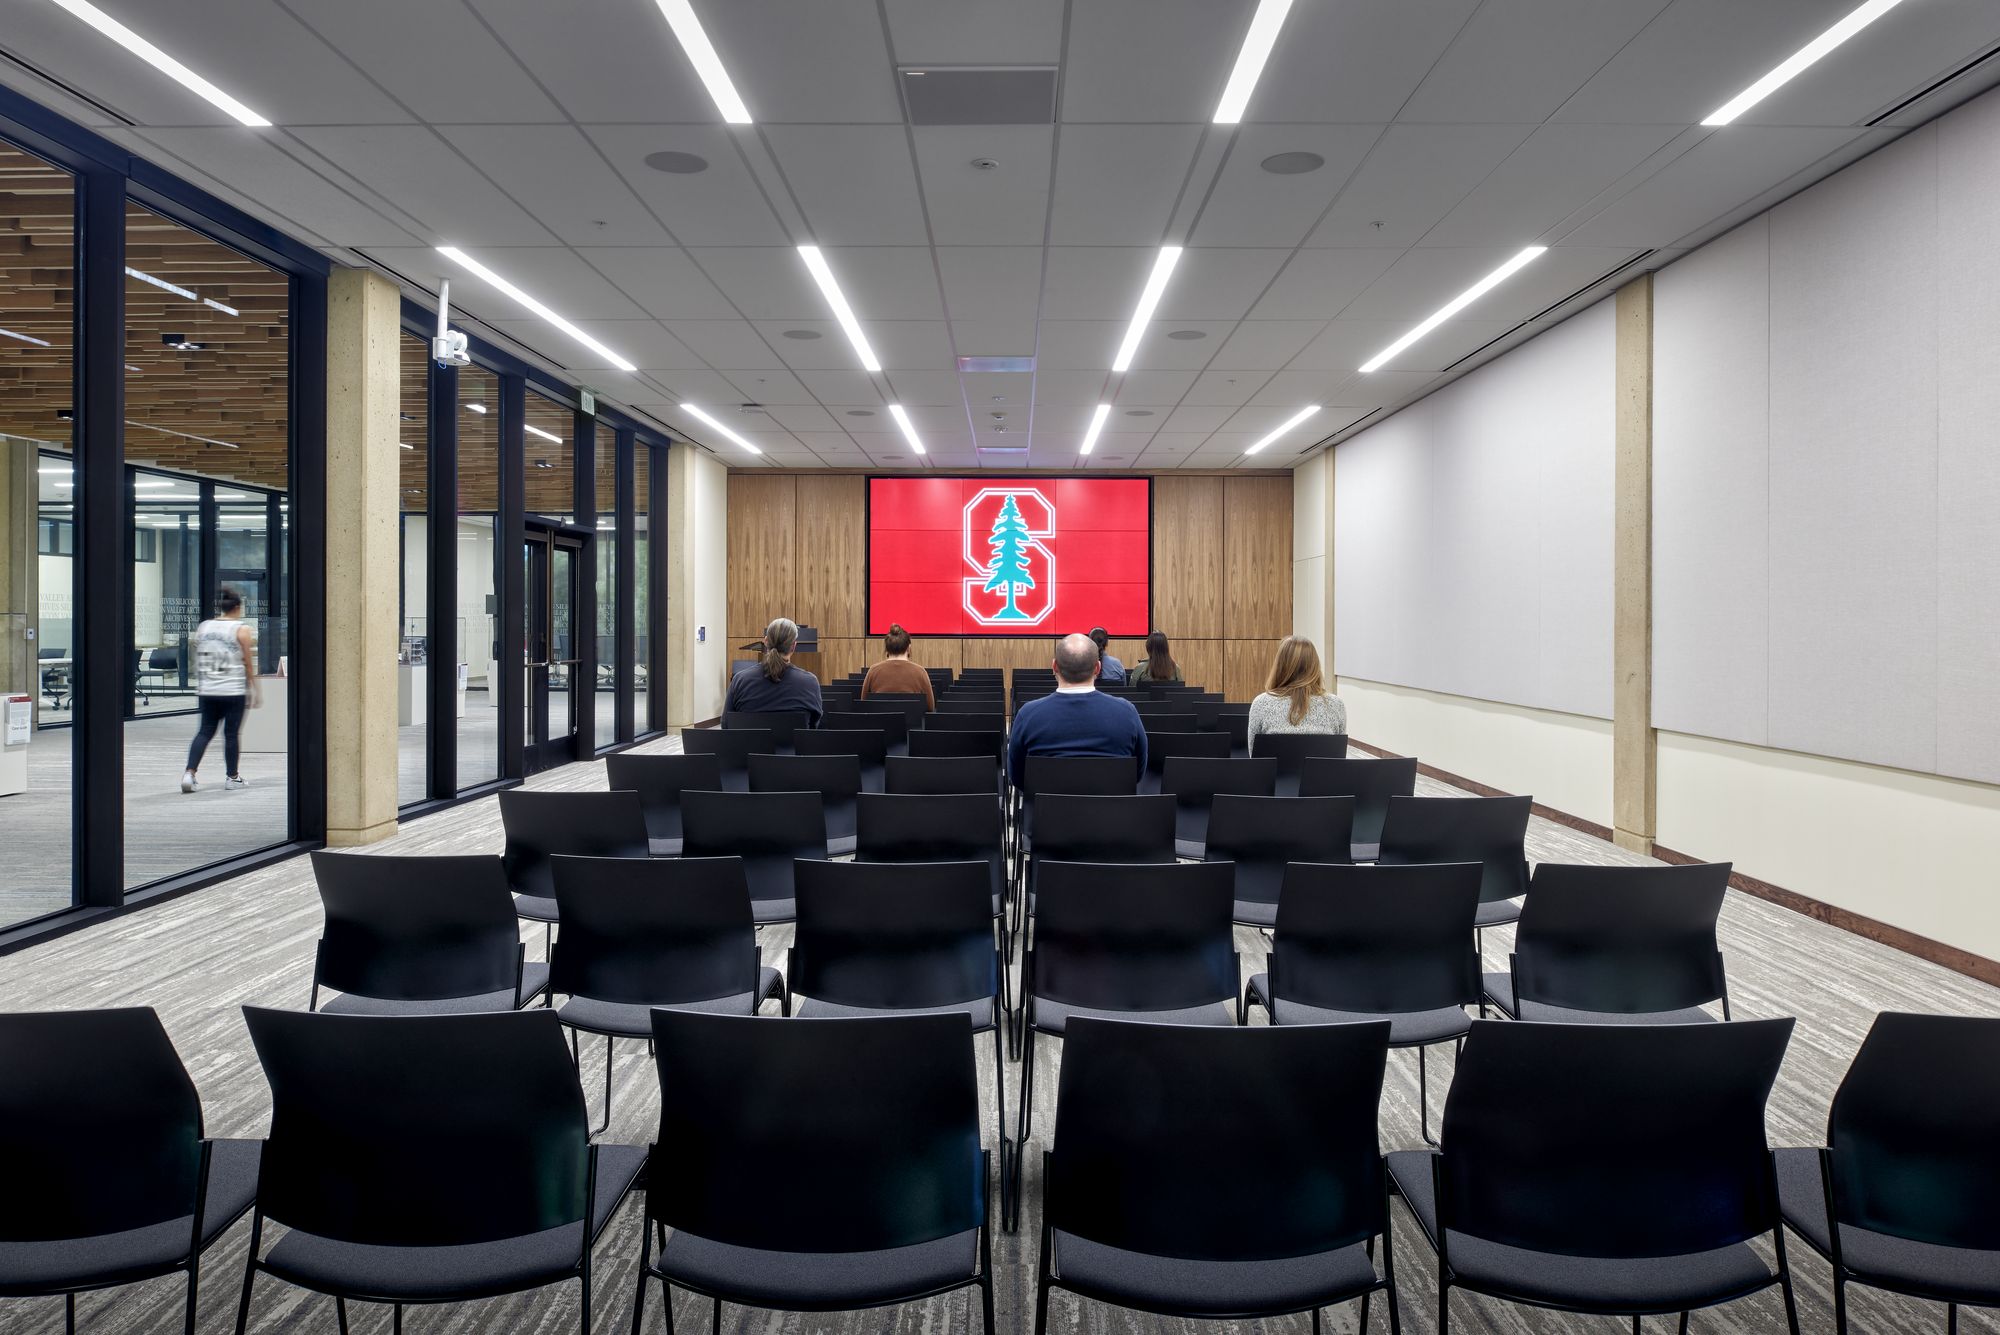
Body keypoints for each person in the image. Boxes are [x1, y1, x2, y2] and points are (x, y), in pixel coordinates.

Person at [1007, 633, 1146, 787]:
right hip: (1113, 810)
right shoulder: (1127, 713)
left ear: (1054, 667)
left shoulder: (1028, 715)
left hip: (1048, 811)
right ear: (1097, 668)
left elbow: (1018, 779)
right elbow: (1137, 774)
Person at [181, 588, 258, 793]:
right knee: (231, 734)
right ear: (237, 607)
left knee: (205, 731)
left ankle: (189, 773)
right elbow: (248, 664)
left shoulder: (204, 627)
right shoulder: (241, 629)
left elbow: (196, 656)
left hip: (208, 688)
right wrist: (255, 689)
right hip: (232, 689)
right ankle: (232, 777)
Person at [1247, 635, 1347, 752]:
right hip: (1322, 771)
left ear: (1280, 665)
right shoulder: (1335, 704)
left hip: (1273, 771)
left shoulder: (1261, 703)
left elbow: (1253, 754)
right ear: (1314, 665)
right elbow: (1339, 756)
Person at [723, 616, 824, 725]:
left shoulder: (739, 680)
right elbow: (814, 726)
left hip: (750, 742)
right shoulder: (810, 682)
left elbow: (726, 724)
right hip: (796, 742)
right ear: (794, 646)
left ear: (766, 641)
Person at [859, 623, 935, 709]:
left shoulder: (873, 671)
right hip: (912, 722)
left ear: (887, 649)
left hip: (879, 722)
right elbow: (930, 708)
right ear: (908, 648)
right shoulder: (920, 672)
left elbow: (863, 705)